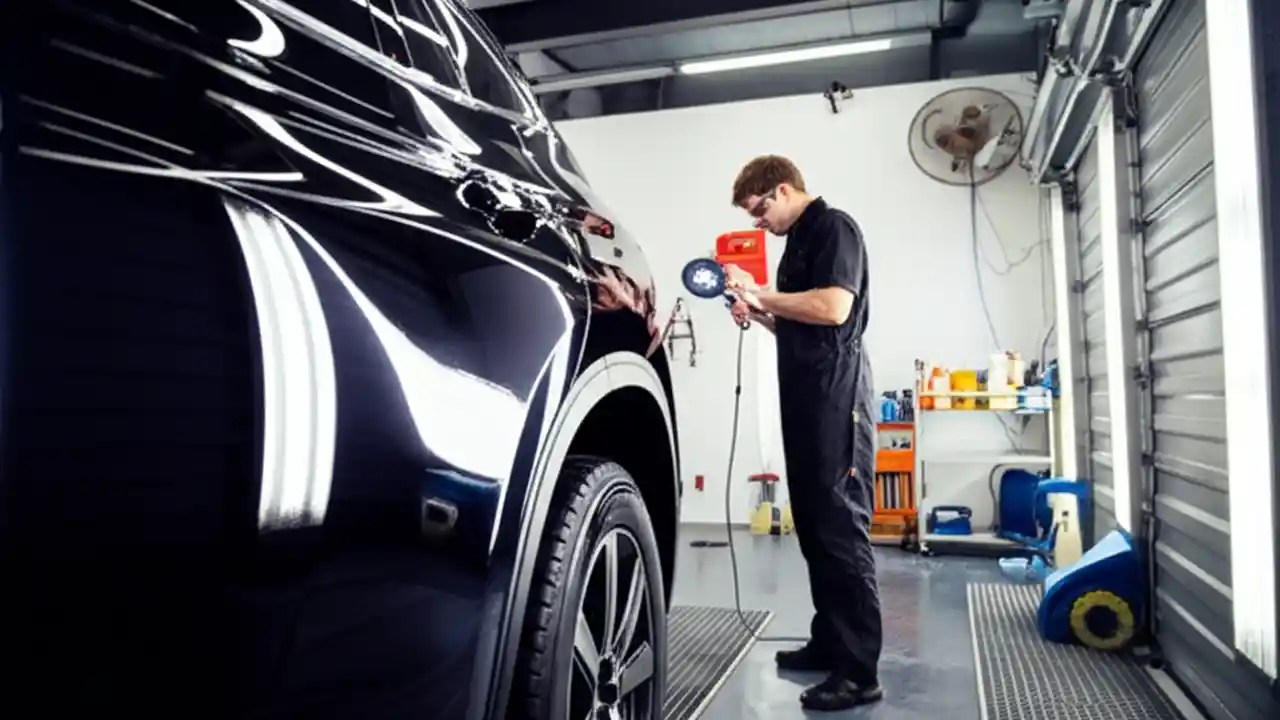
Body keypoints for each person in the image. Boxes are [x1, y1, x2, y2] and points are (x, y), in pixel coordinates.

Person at [723, 155, 883, 711]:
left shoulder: (835, 228)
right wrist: (758, 312)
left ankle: (859, 672)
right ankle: (829, 642)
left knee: (839, 529)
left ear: (784, 189)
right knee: (814, 526)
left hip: (837, 398)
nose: (757, 222)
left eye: (759, 209)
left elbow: (834, 308)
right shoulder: (796, 242)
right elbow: (801, 320)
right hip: (806, 396)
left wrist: (761, 294)